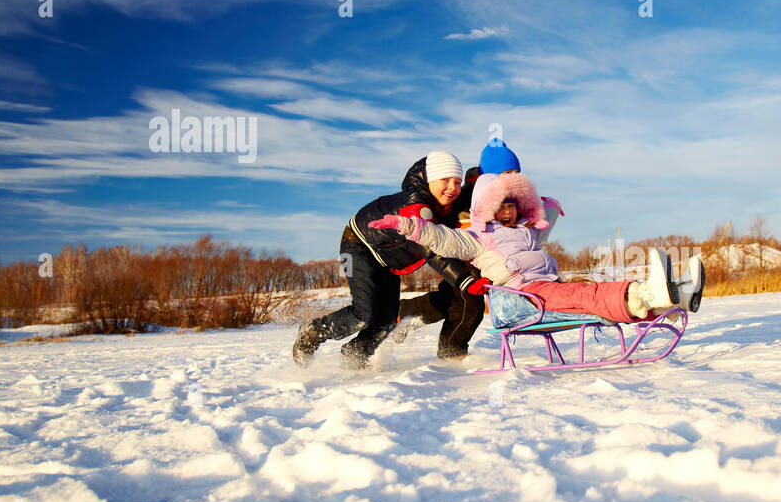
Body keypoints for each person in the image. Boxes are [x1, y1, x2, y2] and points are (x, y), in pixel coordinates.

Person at [369, 172, 705, 326]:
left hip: (548, 290)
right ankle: (647, 294)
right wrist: (406, 225)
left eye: (513, 205)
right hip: (523, 298)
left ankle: (673, 295)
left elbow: (545, 218)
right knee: (584, 298)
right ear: (486, 209)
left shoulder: (527, 233)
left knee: (588, 290)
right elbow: (441, 238)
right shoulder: (477, 237)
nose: (508, 211)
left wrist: (552, 208)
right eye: (501, 205)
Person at [292, 151, 485, 369]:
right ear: (430, 179)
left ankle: (354, 357)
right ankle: (313, 331)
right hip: (359, 247)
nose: (452, 187)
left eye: (457, 182)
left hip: (388, 257)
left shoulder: (446, 203)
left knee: (387, 321)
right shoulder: (416, 204)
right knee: (363, 315)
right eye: (445, 180)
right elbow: (430, 246)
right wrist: (463, 279)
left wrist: (486, 176)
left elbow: (470, 193)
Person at [392, 137, 562, 341]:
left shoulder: (510, 193)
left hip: (488, 256)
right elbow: (459, 214)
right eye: (508, 173)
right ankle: (452, 354)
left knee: (450, 300)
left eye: (517, 173)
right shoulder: (475, 191)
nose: (513, 177)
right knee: (468, 306)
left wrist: (544, 207)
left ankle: (405, 313)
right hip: (465, 251)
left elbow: (522, 221)